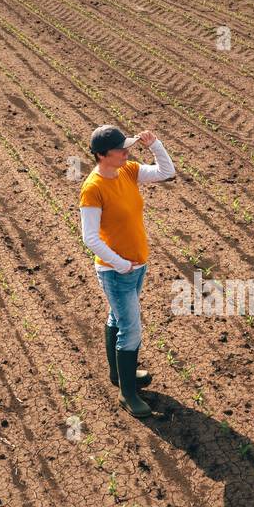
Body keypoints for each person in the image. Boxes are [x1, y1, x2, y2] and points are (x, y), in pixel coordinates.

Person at [79, 125, 176, 418]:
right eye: (120, 149)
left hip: (137, 264)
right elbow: (90, 238)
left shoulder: (128, 171)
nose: (126, 152)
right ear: (101, 155)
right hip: (116, 271)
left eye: (127, 147)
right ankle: (128, 393)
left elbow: (166, 172)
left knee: (117, 317)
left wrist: (155, 144)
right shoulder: (93, 188)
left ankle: (117, 375)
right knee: (131, 329)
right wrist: (120, 264)